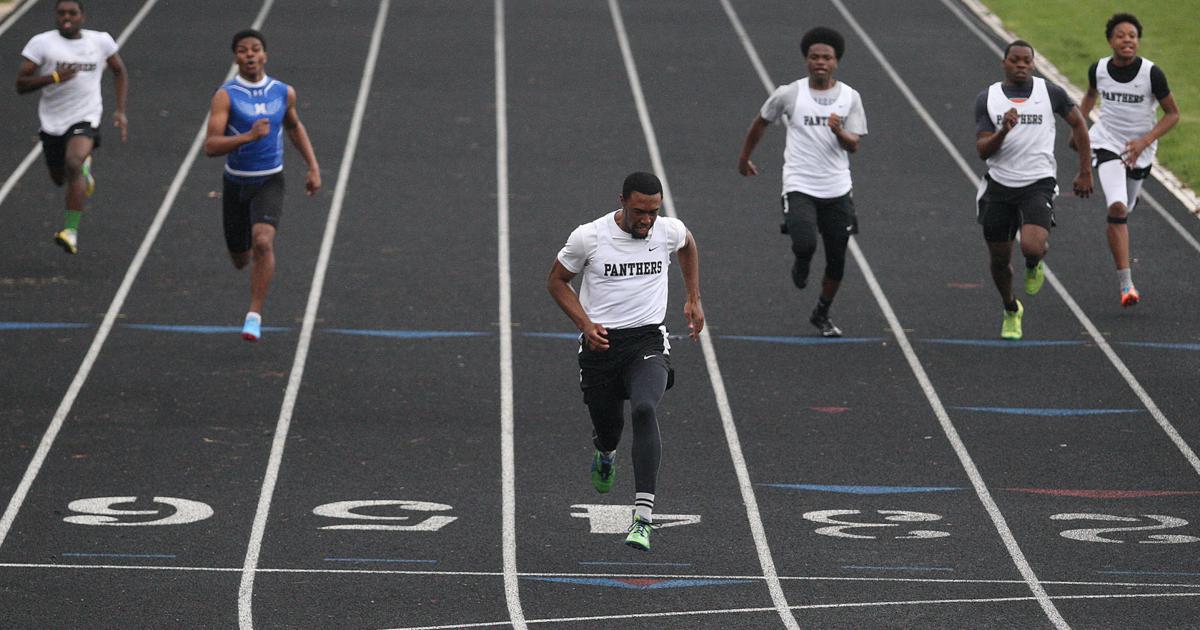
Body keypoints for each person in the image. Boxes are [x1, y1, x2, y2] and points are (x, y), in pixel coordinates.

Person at [547, 172, 704, 551]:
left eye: (653, 211)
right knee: (610, 429)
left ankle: (643, 519)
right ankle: (605, 453)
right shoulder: (589, 236)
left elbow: (688, 245)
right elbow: (556, 281)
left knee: (645, 408)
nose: (646, 220)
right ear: (621, 202)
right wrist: (585, 324)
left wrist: (693, 298)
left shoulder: (668, 230)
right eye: (638, 212)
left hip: (647, 340)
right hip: (601, 346)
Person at [737, 26, 867, 338]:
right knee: (806, 243)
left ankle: (822, 311)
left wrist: (838, 131)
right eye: (814, 57)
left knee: (837, 260)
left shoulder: (850, 98)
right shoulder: (789, 93)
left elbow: (854, 144)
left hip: (837, 188)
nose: (820, 62)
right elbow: (761, 122)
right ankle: (802, 261)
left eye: (826, 57)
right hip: (800, 184)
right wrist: (744, 158)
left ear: (836, 62)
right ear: (806, 60)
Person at [203, 29, 320, 342]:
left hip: (269, 180)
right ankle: (244, 262)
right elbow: (210, 146)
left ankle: (253, 316)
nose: (250, 55)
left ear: (265, 55)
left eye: (255, 49)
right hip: (236, 183)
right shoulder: (225, 95)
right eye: (243, 50)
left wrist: (313, 166)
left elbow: (294, 127)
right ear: (235, 58)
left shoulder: (283, 92)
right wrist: (248, 137)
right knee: (241, 259)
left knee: (263, 241)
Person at [975, 40, 1092, 340]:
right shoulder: (988, 98)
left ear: (1034, 63)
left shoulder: (1049, 93)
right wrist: (1003, 130)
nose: (1021, 65)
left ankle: (1033, 262)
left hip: (1038, 182)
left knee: (1032, 246)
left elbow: (1079, 124)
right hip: (999, 185)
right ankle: (1011, 308)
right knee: (1000, 260)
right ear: (1004, 63)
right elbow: (982, 150)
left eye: (1027, 60)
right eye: (1015, 60)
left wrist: (1085, 171)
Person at [1077, 13, 1180, 308]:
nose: (1127, 40)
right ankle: (1126, 285)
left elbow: (1173, 114)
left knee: (1128, 204)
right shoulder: (1097, 68)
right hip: (1107, 141)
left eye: (1132, 35)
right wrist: (1080, 126)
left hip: (1141, 149)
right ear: (1110, 40)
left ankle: (1123, 209)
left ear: (1138, 41)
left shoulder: (1152, 74)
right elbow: (1089, 95)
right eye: (1121, 35)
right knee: (1117, 207)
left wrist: (1143, 142)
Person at [16, 0, 127, 255]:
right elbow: (21, 84)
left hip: (85, 116)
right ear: (55, 16)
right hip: (52, 122)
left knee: (74, 162)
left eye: (72, 13)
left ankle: (70, 231)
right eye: (61, 13)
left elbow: (119, 71)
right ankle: (84, 173)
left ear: (82, 16)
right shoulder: (41, 44)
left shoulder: (100, 41)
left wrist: (120, 110)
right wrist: (55, 77)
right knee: (59, 178)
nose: (67, 17)